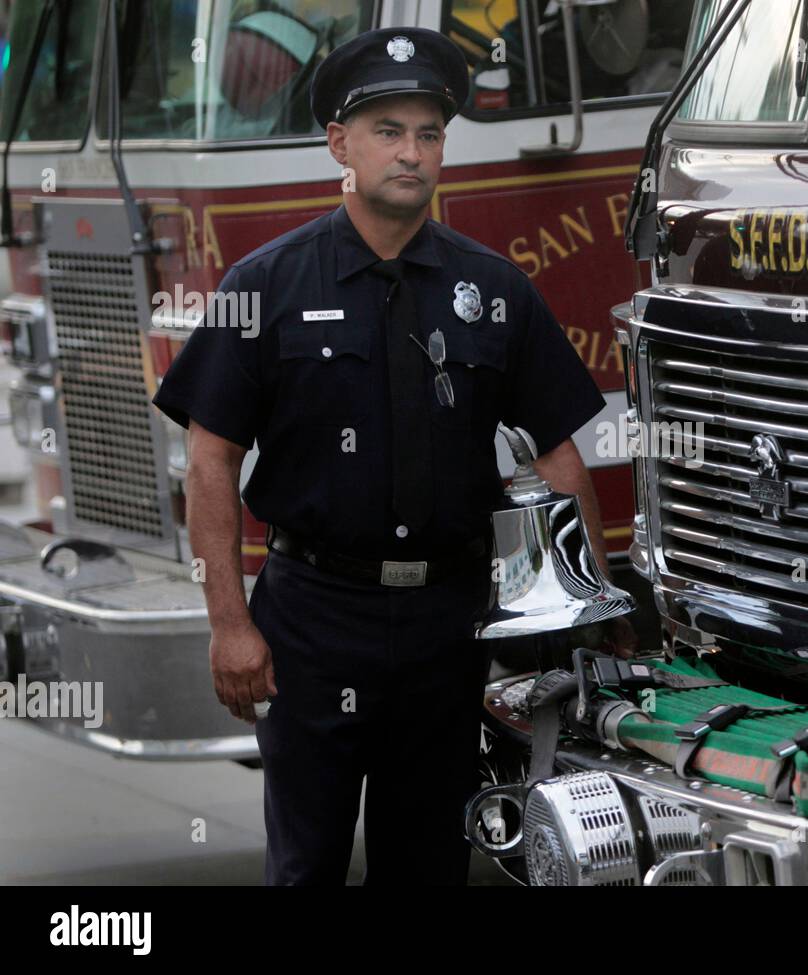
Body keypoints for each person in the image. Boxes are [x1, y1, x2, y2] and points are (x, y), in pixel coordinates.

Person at [152, 26, 624, 885]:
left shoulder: (497, 291)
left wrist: (582, 614)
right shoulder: (262, 287)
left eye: (429, 133)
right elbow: (211, 457)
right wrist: (228, 623)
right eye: (387, 131)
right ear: (340, 144)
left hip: (447, 622)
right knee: (307, 866)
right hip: (313, 619)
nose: (412, 153)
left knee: (431, 864)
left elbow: (558, 455)